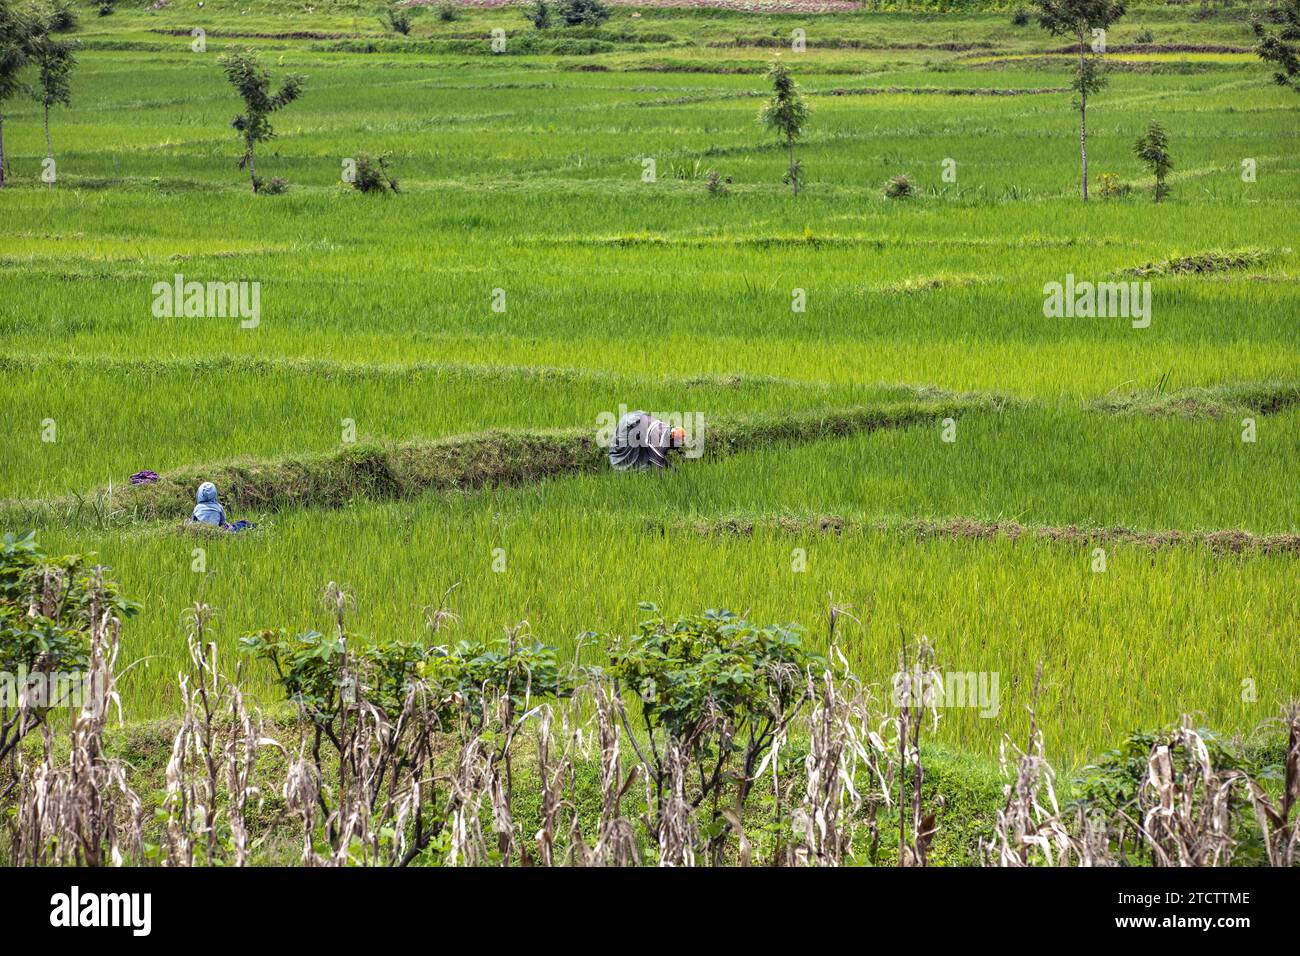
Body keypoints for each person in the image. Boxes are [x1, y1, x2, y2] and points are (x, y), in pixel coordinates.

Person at [608, 410, 686, 472]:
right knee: (629, 460)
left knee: (645, 451)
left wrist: (675, 470)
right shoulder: (660, 443)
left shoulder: (666, 428)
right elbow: (659, 463)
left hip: (635, 416)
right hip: (629, 427)